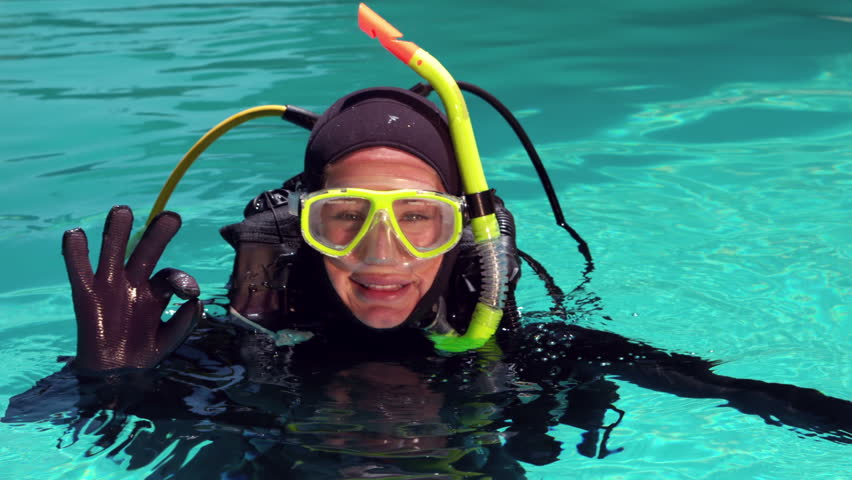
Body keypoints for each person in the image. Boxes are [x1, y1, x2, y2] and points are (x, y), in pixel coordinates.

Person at [5, 86, 851, 479]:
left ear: (464, 236)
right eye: (345, 218)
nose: (383, 254)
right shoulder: (229, 354)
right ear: (303, 229)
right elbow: (26, 429)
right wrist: (106, 381)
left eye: (419, 219)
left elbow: (743, 397)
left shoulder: (542, 355)